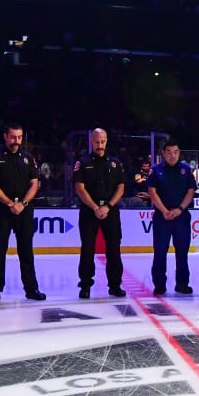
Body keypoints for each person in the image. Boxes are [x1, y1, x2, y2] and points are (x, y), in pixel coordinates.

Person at [0, 123, 46, 303]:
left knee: (26, 250)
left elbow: (34, 183)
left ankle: (31, 289)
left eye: (19, 137)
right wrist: (10, 203)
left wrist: (23, 203)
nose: (16, 141)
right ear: (5, 136)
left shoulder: (28, 158)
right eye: (13, 137)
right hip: (1, 210)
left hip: (24, 210)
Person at [73, 128, 126, 298]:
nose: (100, 145)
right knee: (87, 249)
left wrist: (108, 206)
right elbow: (79, 188)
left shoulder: (115, 163)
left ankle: (115, 285)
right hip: (89, 211)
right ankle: (85, 285)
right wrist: (95, 207)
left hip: (111, 211)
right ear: (92, 141)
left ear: (106, 141)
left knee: (114, 248)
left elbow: (121, 187)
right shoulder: (83, 162)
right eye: (97, 141)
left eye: (103, 141)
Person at [146, 139, 197, 295]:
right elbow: (152, 192)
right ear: (163, 153)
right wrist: (164, 210)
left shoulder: (186, 170)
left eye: (175, 152)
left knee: (182, 252)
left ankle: (182, 284)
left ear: (179, 153)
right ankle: (159, 284)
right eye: (169, 152)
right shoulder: (155, 170)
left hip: (181, 217)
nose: (172, 155)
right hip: (162, 218)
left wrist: (180, 209)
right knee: (160, 252)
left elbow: (191, 191)